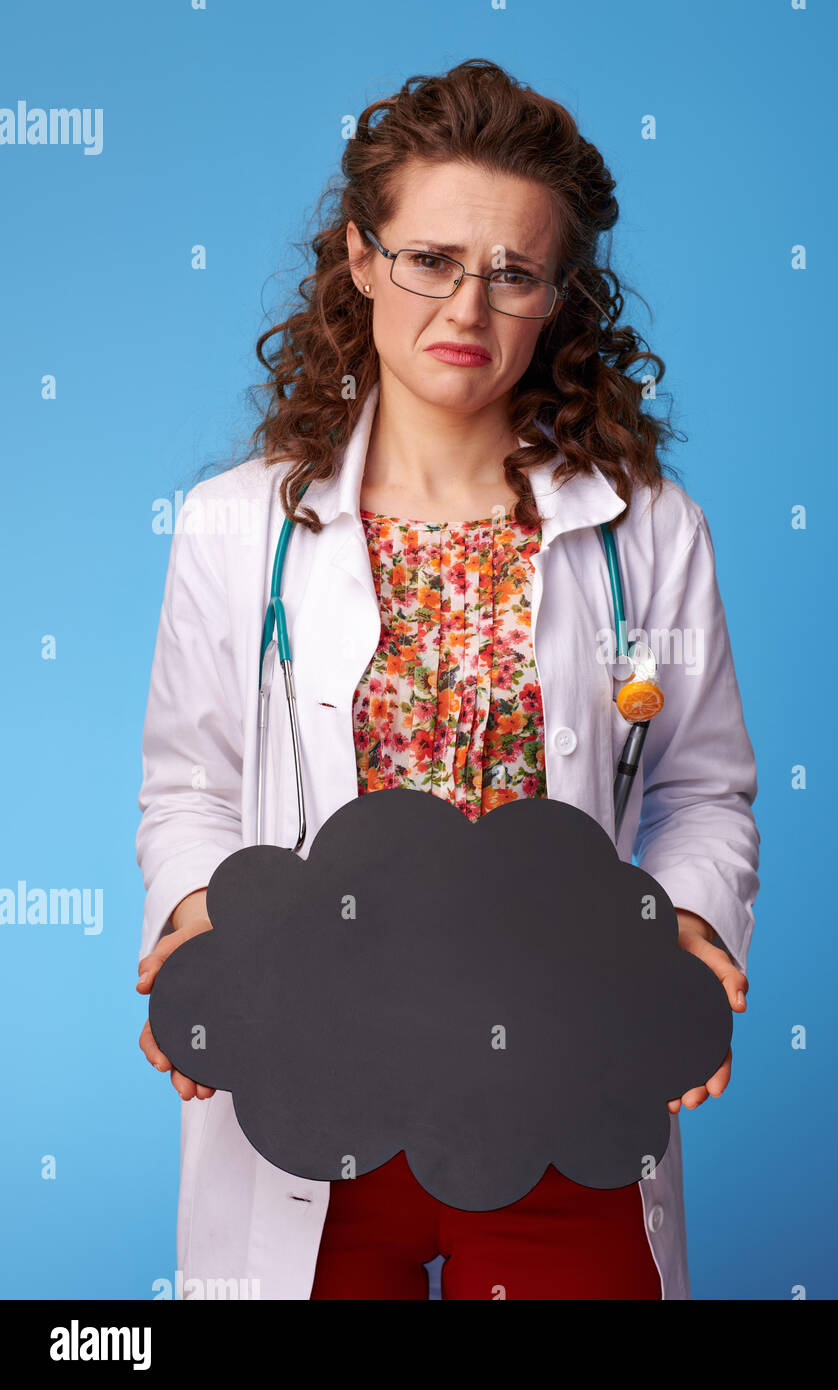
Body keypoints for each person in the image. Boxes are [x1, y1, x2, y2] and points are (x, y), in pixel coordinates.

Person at [134, 59, 759, 1300]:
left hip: (564, 1081)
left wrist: (682, 924)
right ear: (361, 259)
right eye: (429, 258)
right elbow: (191, 782)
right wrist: (211, 924)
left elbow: (700, 790)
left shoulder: (647, 530)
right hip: (310, 1077)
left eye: (513, 272)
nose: (465, 305)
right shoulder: (234, 525)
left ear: (559, 296)